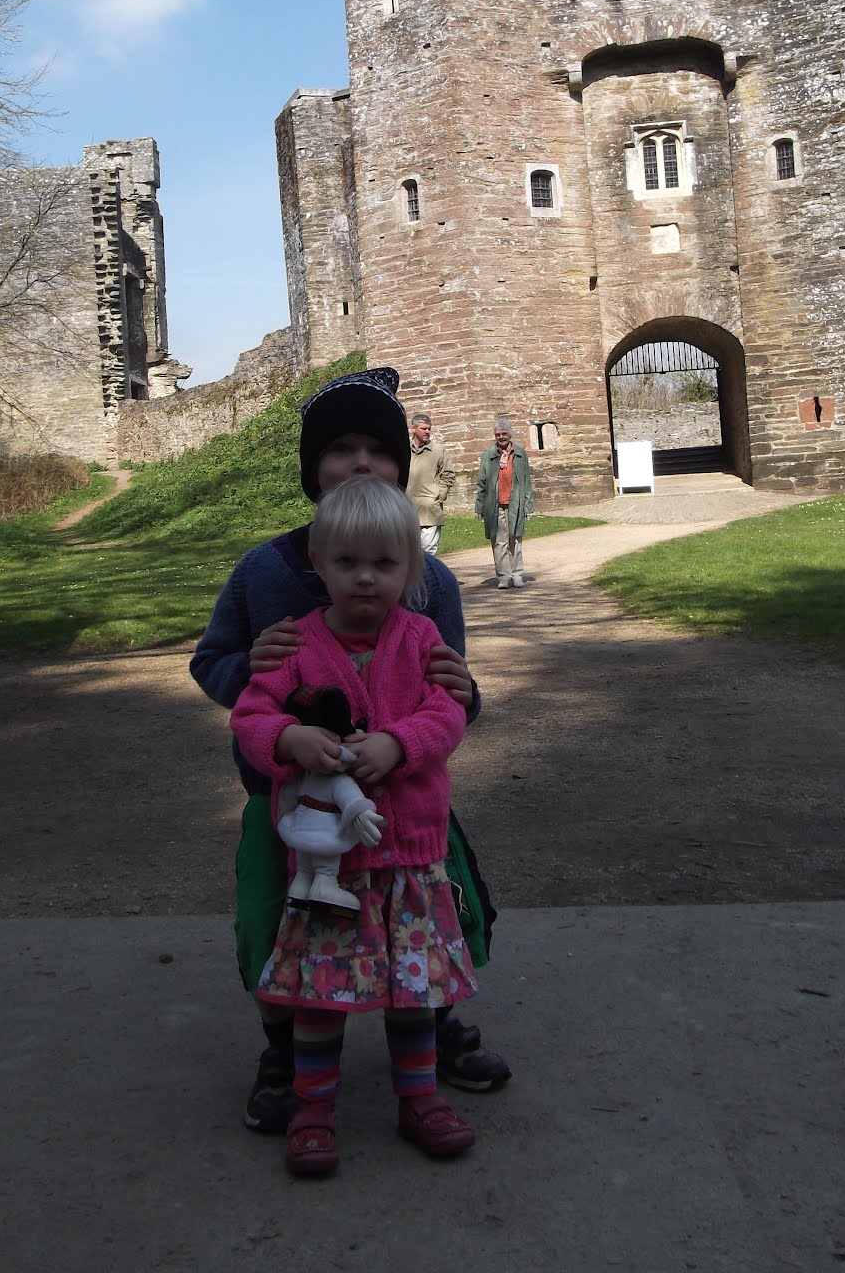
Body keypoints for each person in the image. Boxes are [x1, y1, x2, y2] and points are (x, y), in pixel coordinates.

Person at [190, 367, 509, 1137]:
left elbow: (455, 693)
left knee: (440, 924)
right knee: (275, 931)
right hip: (291, 804)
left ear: (403, 467)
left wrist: (426, 722)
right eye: (340, 449)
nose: (361, 463)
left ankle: (435, 1029)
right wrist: (254, 672)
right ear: (311, 470)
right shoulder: (267, 570)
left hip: (403, 799)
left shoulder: (427, 579)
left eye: (378, 449)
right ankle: (283, 1053)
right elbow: (213, 662)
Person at [231, 476, 476, 1174]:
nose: (365, 579)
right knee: (319, 996)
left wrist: (401, 744)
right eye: (346, 564)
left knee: (413, 992)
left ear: (411, 568)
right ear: (319, 565)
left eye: (384, 564)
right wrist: (286, 740)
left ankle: (420, 1098)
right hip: (328, 867)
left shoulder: (421, 636)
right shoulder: (296, 647)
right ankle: (312, 1108)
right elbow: (251, 715)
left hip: (408, 858)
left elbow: (447, 711)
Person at [474, 417, 534, 588]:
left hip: (516, 503)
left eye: (504, 434)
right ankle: (504, 577)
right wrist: (479, 506)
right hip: (495, 504)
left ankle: (517, 575)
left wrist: (529, 505)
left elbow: (527, 481)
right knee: (499, 541)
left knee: (515, 539)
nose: (501, 437)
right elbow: (482, 482)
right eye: (498, 434)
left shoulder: (521, 454)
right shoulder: (488, 455)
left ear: (510, 435)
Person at [406, 411, 456, 556]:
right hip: (406, 507)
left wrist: (438, 493)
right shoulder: (403, 449)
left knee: (428, 553)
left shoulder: (438, 450)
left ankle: (428, 579)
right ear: (414, 429)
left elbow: (449, 474)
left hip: (430, 508)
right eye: (423, 428)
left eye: (429, 429)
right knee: (409, 552)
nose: (427, 431)